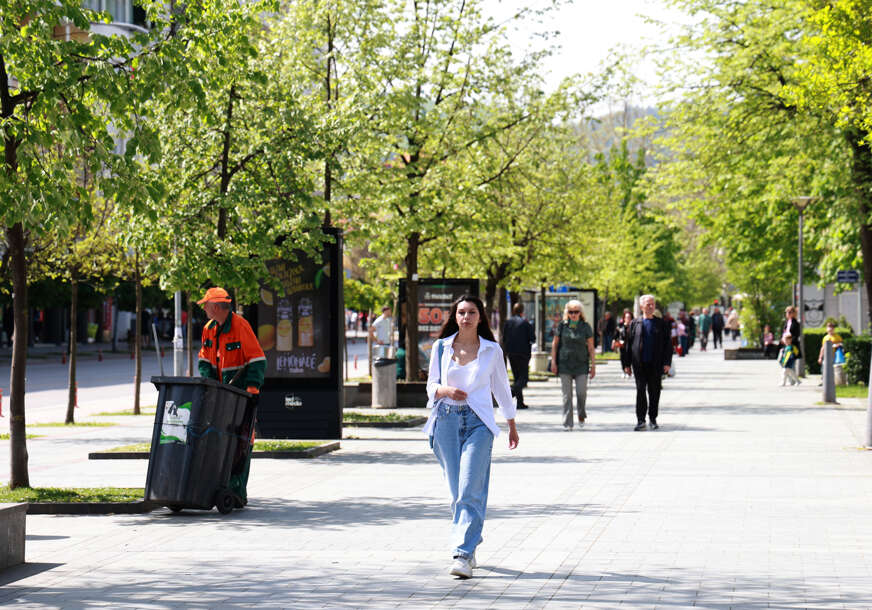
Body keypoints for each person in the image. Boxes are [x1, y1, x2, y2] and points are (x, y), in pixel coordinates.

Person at [425, 295, 519, 579]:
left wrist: (511, 423)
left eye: (472, 312)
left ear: (481, 317)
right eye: (461, 312)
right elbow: (431, 386)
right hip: (446, 421)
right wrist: (445, 391)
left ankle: (462, 554)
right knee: (457, 494)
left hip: (479, 422)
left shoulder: (491, 350)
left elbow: (501, 388)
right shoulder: (441, 347)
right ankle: (471, 538)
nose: (466, 317)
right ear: (455, 316)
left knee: (470, 489)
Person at [197, 287, 266, 506]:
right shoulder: (209, 329)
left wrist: (252, 389)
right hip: (220, 394)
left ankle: (237, 492)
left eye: (206, 305)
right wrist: (210, 383)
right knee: (221, 439)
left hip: (242, 394)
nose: (204, 309)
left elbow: (257, 360)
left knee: (242, 442)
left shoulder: (240, 326)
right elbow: (204, 360)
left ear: (216, 307)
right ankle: (222, 486)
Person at [625, 294, 673, 431]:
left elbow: (668, 345)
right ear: (642, 307)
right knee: (640, 391)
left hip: (656, 364)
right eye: (648, 304)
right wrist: (627, 364)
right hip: (639, 364)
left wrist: (667, 362)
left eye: (653, 304)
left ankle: (653, 418)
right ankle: (641, 420)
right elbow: (629, 345)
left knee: (654, 392)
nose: (651, 306)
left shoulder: (661, 324)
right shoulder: (635, 323)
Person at [550, 299, 596, 430]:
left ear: (580, 313)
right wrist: (553, 362)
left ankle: (581, 414)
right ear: (567, 313)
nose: (573, 314)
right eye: (571, 312)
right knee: (567, 396)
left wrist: (593, 365)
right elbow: (555, 344)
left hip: (581, 364)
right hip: (565, 364)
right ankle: (568, 423)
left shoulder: (585, 326)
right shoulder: (562, 326)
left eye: (576, 312)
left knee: (581, 393)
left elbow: (591, 347)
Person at [502, 302, 535, 409]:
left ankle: (520, 402)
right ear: (522, 311)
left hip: (511, 353)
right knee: (523, 378)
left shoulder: (508, 322)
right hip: (523, 353)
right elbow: (532, 338)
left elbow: (504, 337)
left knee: (517, 377)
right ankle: (511, 392)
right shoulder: (525, 323)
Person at [818, 321, 846, 385]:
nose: (830, 329)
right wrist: (820, 357)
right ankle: (824, 381)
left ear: (833, 329)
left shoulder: (837, 337)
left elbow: (842, 345)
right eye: (828, 327)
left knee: (834, 369)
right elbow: (823, 348)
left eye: (831, 327)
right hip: (827, 356)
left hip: (835, 356)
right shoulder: (825, 337)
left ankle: (833, 381)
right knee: (824, 368)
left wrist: (836, 345)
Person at [615, 310, 633, 378]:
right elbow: (616, 335)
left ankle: (629, 370)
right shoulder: (620, 326)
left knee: (630, 358)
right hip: (622, 345)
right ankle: (624, 370)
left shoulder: (633, 326)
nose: (628, 319)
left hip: (631, 345)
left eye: (629, 317)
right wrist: (614, 341)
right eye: (627, 317)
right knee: (623, 358)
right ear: (624, 318)